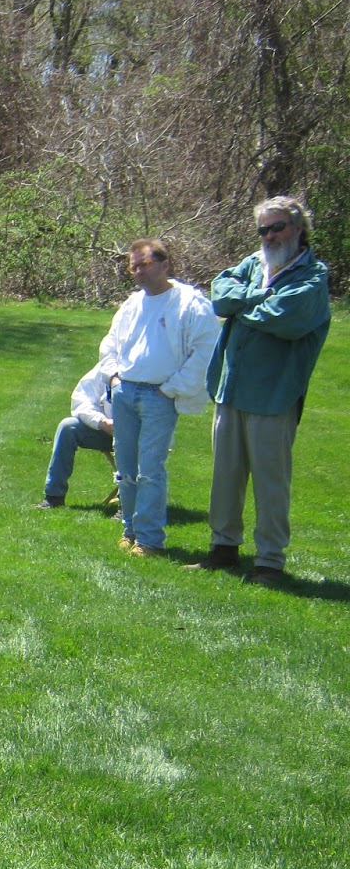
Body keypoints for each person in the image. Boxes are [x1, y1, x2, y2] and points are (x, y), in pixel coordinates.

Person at [185, 195, 331, 585]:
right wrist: (256, 296)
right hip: (231, 388)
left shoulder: (313, 276)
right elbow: (220, 296)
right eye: (263, 229)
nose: (269, 236)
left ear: (298, 228)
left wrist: (242, 307)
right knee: (225, 477)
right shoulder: (252, 264)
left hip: (274, 395)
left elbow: (285, 318)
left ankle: (269, 562)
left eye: (277, 227)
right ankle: (223, 550)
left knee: (270, 482)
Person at [90, 239, 219, 557]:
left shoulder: (189, 303)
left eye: (144, 264)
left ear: (164, 264)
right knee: (126, 468)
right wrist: (114, 376)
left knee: (150, 469)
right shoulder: (132, 304)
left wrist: (171, 388)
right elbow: (109, 344)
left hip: (159, 396)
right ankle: (130, 530)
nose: (138, 272)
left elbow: (206, 350)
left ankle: (149, 540)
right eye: (133, 267)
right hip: (125, 392)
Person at [36, 355, 119, 510]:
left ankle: (127, 504)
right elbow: (82, 399)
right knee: (68, 427)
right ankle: (54, 497)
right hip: (106, 431)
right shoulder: (107, 367)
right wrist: (102, 422)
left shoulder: (149, 368)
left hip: (138, 436)